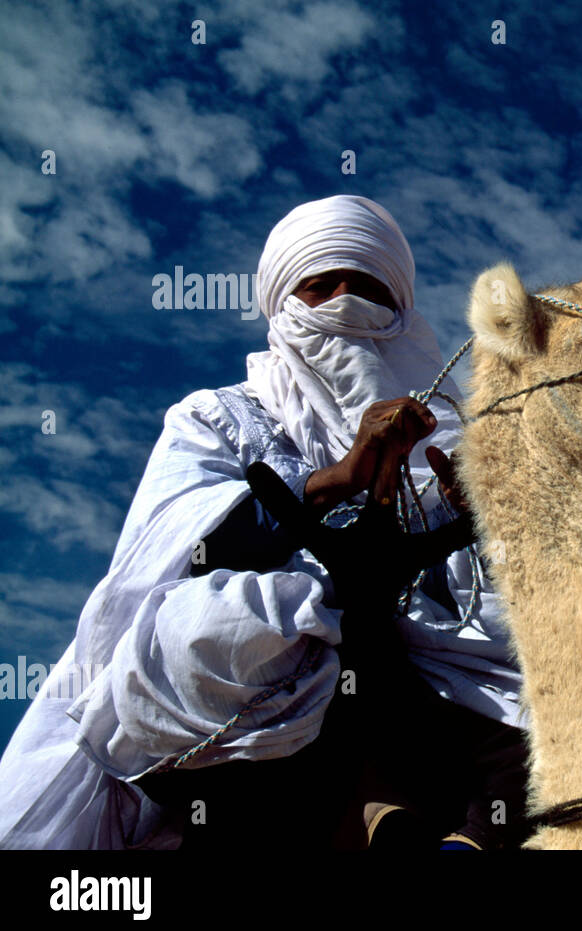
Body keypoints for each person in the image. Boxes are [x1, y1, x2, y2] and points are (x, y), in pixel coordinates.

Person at [0, 195, 528, 850]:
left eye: (367, 288)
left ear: (400, 307)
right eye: (322, 286)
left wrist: (480, 517)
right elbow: (171, 541)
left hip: (436, 663)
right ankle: (375, 803)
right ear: (285, 300)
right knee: (217, 627)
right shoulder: (221, 416)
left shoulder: (451, 432)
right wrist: (330, 481)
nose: (345, 303)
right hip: (296, 663)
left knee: (553, 683)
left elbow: (499, 581)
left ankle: (463, 831)